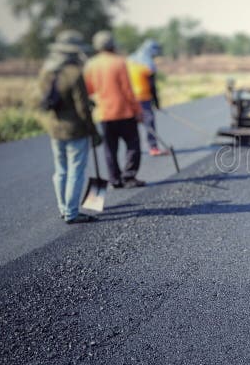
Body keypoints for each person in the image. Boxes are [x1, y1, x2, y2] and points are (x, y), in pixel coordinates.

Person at [38, 30, 101, 224]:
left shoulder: (46, 72)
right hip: (75, 130)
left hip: (55, 129)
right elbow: (82, 108)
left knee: (61, 170)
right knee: (76, 171)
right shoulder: (74, 73)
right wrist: (94, 131)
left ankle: (63, 209)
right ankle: (72, 213)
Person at [84, 31, 145, 188]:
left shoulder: (91, 64)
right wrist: (138, 110)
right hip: (124, 112)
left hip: (104, 114)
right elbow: (127, 90)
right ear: (112, 45)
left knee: (110, 148)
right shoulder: (119, 62)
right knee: (133, 145)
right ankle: (129, 176)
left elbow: (88, 90)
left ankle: (115, 179)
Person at [127, 39, 166, 156]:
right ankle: (153, 147)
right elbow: (151, 85)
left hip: (130, 98)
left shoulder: (130, 59)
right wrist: (157, 102)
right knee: (149, 121)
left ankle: (133, 150)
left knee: (131, 124)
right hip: (143, 97)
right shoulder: (149, 63)